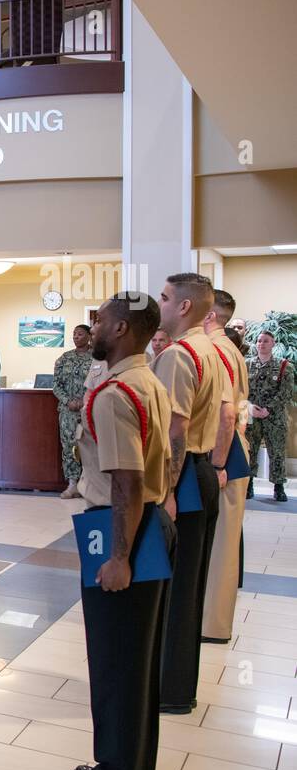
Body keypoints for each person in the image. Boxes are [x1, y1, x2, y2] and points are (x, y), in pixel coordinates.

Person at [50, 292, 173, 770]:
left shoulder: (114, 392)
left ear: (121, 328)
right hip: (152, 522)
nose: (91, 327)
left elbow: (125, 481)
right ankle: (129, 769)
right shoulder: (150, 381)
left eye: (99, 320)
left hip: (123, 531)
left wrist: (119, 557)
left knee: (116, 663)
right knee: (136, 663)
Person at [154, 273, 230, 715]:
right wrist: (216, 467)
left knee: (175, 587)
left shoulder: (180, 355)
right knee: (189, 586)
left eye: (165, 298)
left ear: (184, 307)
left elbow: (174, 430)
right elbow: (224, 417)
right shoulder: (212, 349)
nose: (159, 304)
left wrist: (165, 490)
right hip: (202, 471)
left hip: (183, 476)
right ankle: (179, 686)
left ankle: (168, 689)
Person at [200, 290, 249, 643]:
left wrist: (217, 464)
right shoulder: (229, 348)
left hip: (224, 455)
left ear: (209, 314)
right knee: (221, 543)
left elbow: (227, 414)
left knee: (218, 547)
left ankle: (211, 625)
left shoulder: (216, 350)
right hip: (230, 451)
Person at [247, 329, 293, 502]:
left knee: (277, 452)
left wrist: (268, 409)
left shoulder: (284, 366)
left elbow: (286, 393)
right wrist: (250, 407)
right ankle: (248, 484)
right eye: (259, 340)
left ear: (273, 344)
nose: (261, 343)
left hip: (274, 417)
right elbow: (240, 390)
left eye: (266, 341)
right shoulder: (247, 364)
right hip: (251, 415)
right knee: (249, 450)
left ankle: (279, 487)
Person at [53, 324, 94, 498]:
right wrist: (68, 401)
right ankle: (72, 484)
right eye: (74, 334)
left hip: (89, 411)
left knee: (90, 448)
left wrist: (83, 401)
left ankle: (90, 485)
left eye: (80, 334)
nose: (76, 337)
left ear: (89, 336)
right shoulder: (64, 358)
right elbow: (56, 384)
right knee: (69, 447)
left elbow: (100, 383)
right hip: (68, 412)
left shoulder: (98, 358)